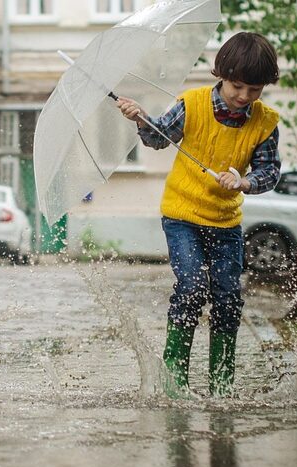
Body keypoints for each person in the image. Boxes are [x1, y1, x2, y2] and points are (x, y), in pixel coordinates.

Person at [116, 32, 281, 398]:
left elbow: (269, 172)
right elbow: (158, 138)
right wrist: (141, 118)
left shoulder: (265, 123)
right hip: (182, 216)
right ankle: (175, 383)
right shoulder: (192, 105)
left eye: (254, 89)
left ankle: (221, 385)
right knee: (191, 289)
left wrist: (245, 181)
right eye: (237, 86)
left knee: (227, 298)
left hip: (226, 222)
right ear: (221, 74)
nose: (244, 96)